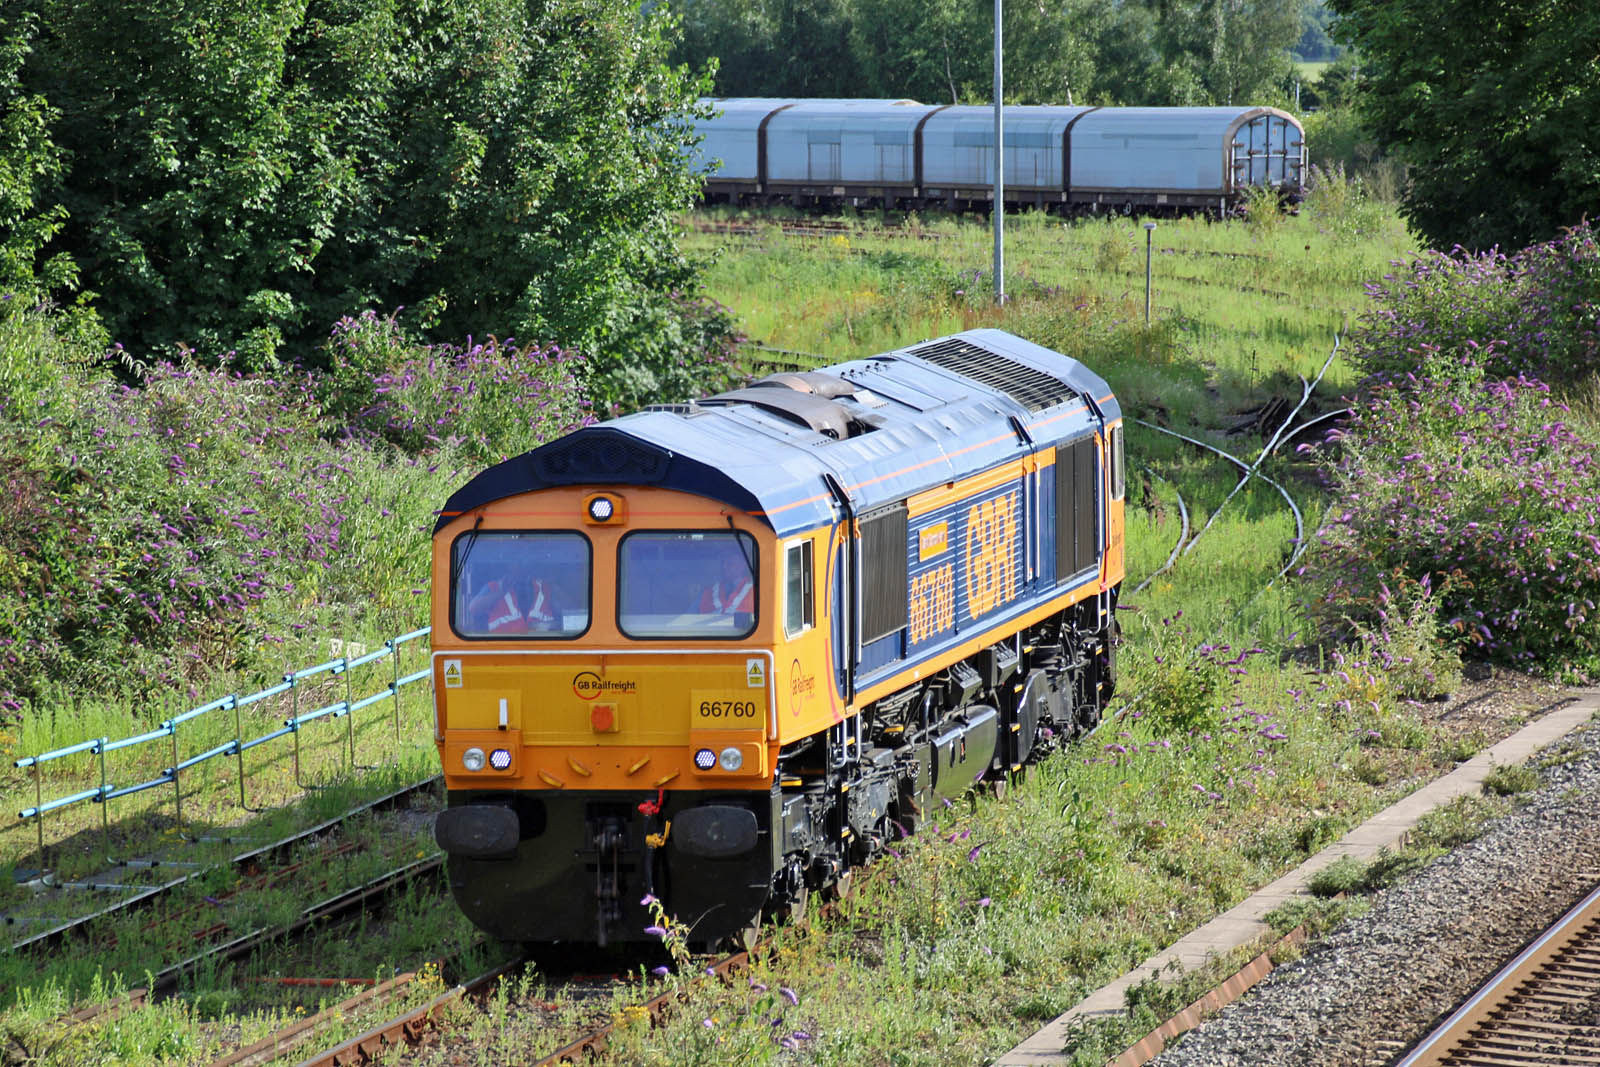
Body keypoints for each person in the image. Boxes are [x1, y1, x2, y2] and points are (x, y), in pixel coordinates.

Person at [467, 567, 562, 634]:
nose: (521, 565)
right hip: (501, 647)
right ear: (508, 565)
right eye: (516, 562)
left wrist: (554, 585)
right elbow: (473, 608)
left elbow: (569, 609)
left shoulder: (545, 587)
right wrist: (501, 592)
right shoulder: (493, 587)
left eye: (524, 562)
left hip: (542, 647)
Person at [698, 550, 754, 616]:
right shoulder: (709, 591)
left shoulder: (754, 590)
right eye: (723, 563)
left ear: (743, 566)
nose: (724, 567)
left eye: (730, 563)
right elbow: (691, 614)